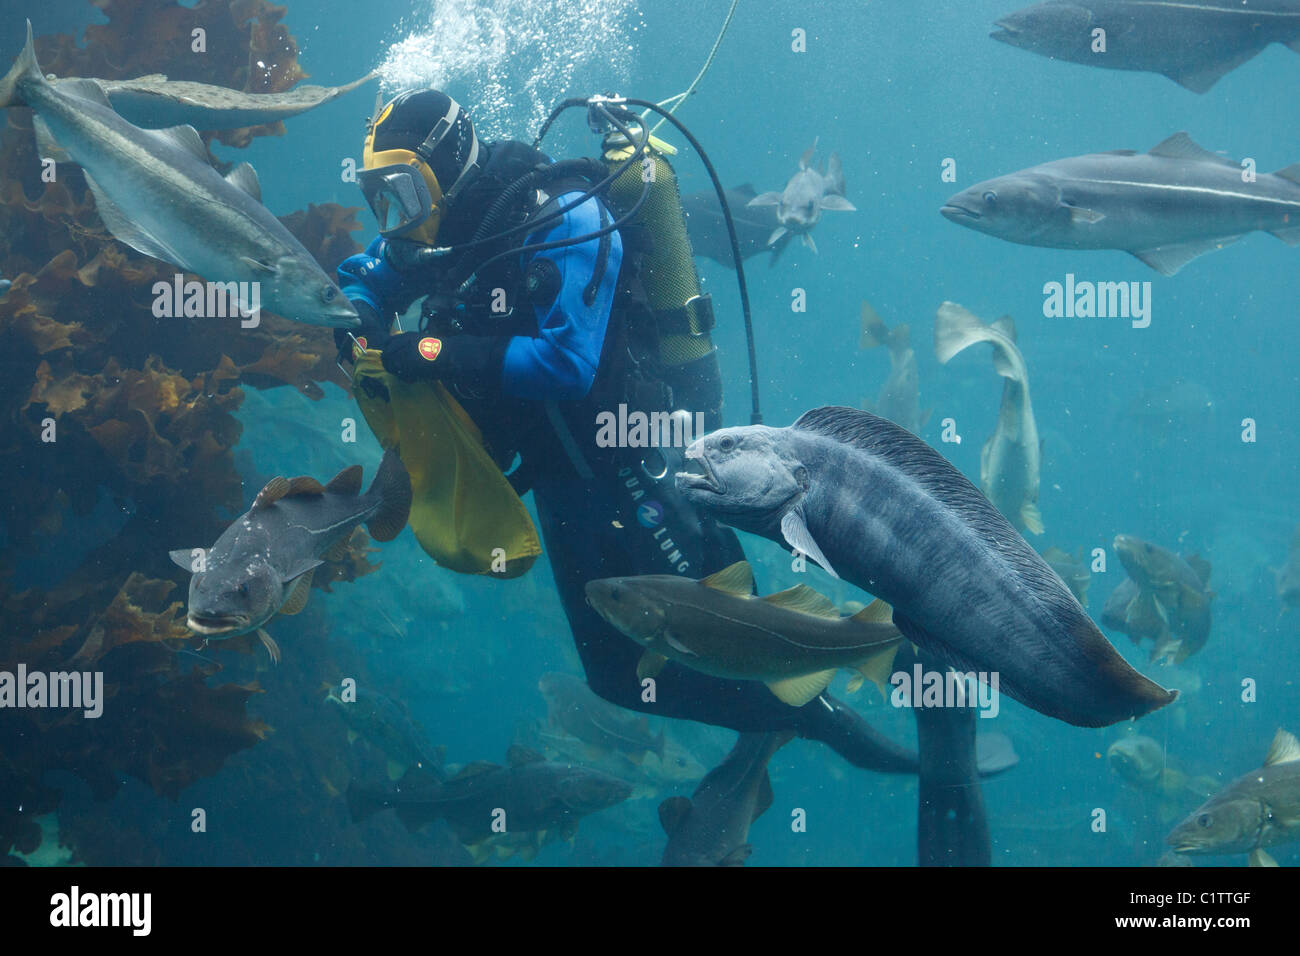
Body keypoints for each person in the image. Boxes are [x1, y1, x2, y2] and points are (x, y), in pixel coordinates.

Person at [336, 88, 906, 767]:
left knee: (742, 623)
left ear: (445, 166)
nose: (392, 217)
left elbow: (567, 364)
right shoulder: (436, 230)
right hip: (557, 473)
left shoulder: (565, 218)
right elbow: (361, 278)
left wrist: (432, 352)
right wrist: (360, 323)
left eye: (401, 192)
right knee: (617, 680)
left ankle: (861, 684)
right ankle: (808, 712)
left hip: (634, 457)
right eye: (381, 198)